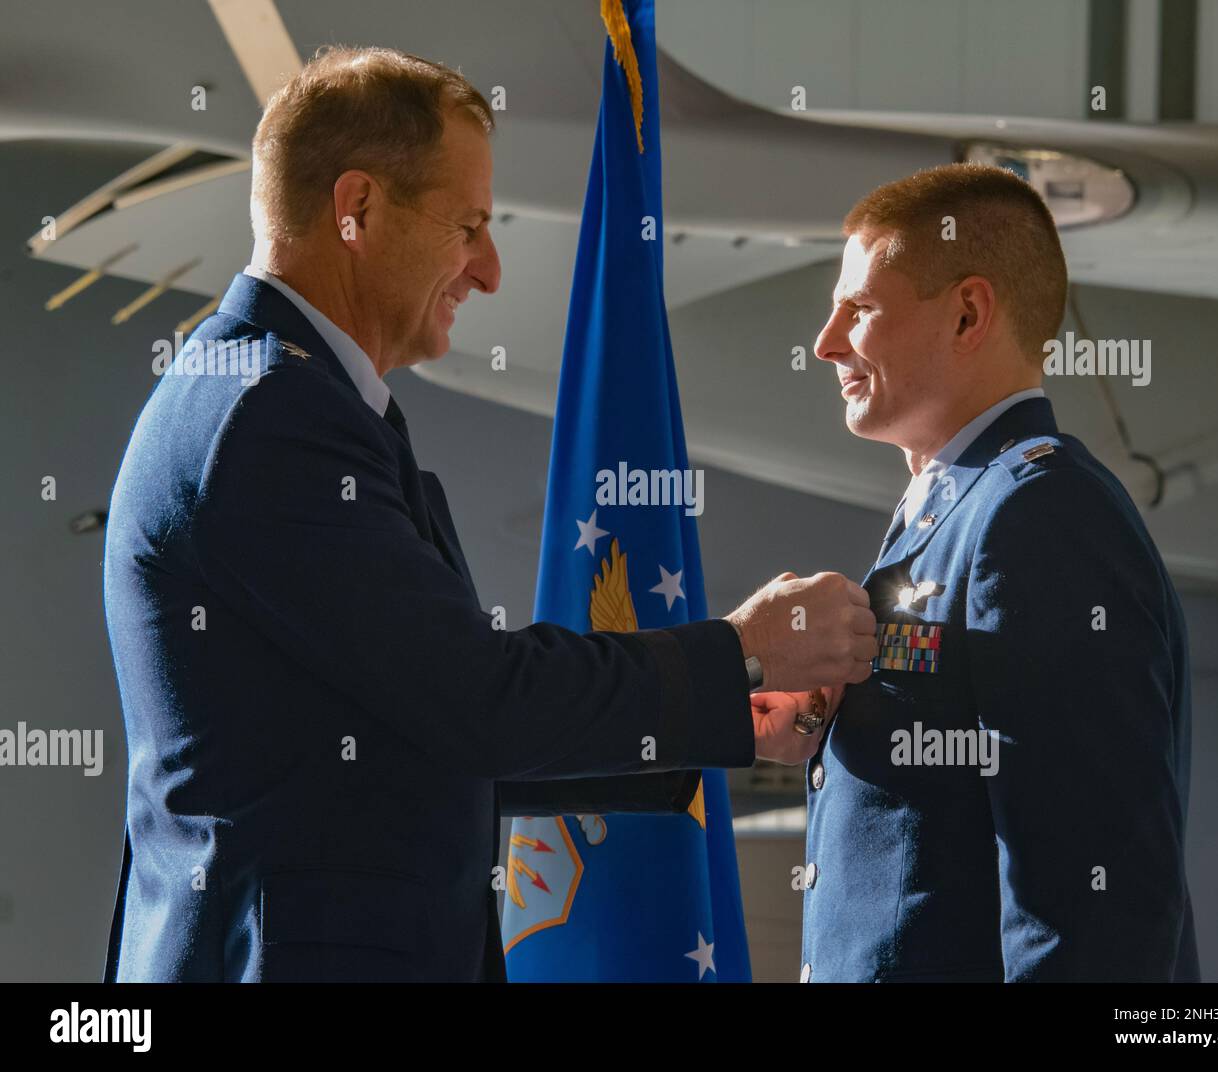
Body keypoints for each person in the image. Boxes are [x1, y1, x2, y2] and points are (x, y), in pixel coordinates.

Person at [100, 46, 876, 983]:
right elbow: (473, 702)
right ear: (357, 209)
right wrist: (740, 647)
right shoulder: (273, 414)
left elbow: (415, 734)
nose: (491, 269)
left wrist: (730, 718)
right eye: (468, 224)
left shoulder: (286, 398)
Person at [781, 162, 1198, 982]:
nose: (826, 343)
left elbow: (1092, 898)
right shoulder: (963, 504)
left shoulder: (1038, 516)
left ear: (969, 312)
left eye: (859, 310)